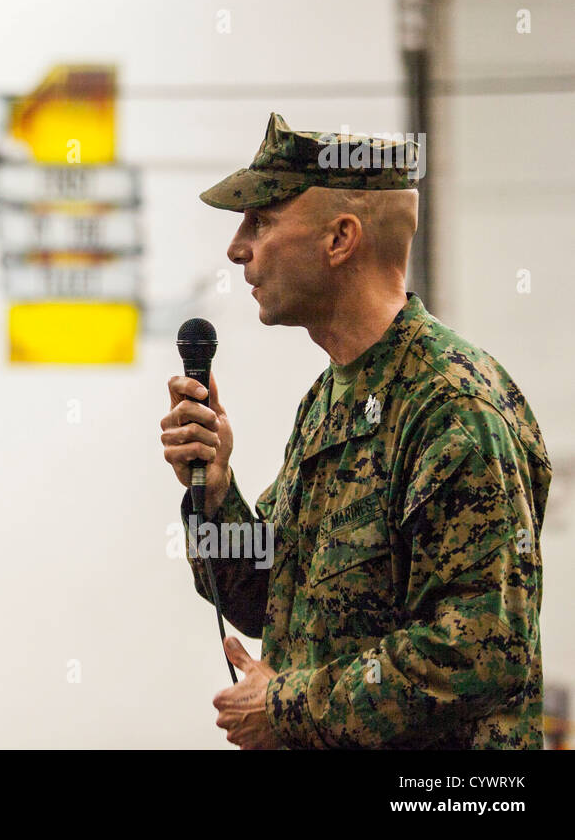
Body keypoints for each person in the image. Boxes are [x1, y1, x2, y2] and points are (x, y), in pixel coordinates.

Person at [159, 113, 549, 749]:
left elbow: (475, 654)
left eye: (261, 221)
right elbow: (264, 599)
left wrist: (285, 707)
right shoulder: (329, 401)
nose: (237, 248)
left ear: (340, 239)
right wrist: (217, 492)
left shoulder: (452, 408)